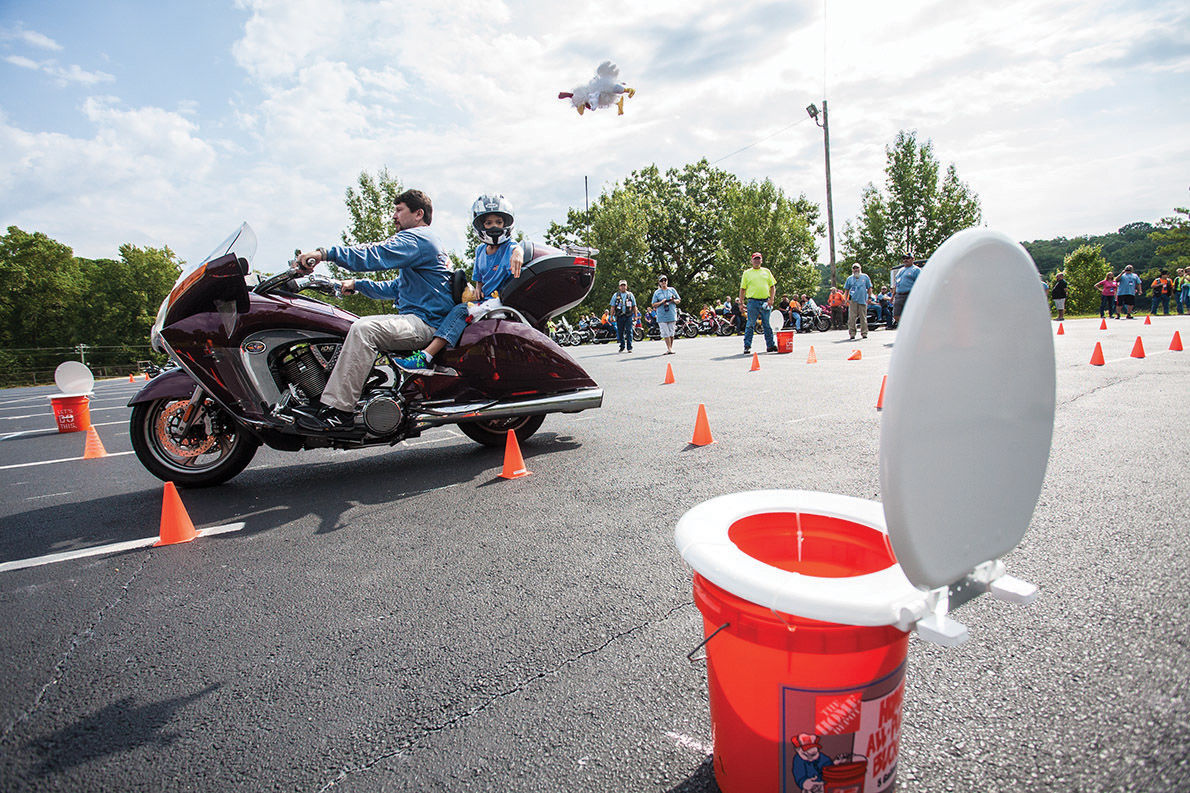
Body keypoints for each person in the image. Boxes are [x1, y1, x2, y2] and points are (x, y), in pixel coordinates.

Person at [292, 189, 453, 431]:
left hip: (427, 323)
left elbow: (375, 255)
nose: (394, 216)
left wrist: (325, 254)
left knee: (364, 329)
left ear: (418, 214)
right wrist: (356, 285)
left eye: (399, 210)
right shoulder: (424, 245)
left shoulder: (419, 238)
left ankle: (339, 411)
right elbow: (396, 288)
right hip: (419, 318)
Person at [385, 194, 525, 373]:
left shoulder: (510, 248)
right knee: (456, 308)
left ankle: (425, 357)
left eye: (499, 221)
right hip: (486, 299)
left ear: (506, 223)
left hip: (502, 299)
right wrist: (479, 289)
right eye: (489, 223)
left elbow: (518, 247)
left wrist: (518, 253)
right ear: (481, 225)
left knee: (460, 312)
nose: (494, 226)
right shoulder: (480, 250)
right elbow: (479, 277)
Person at [740, 252, 778, 353]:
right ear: (752, 261)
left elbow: (772, 286)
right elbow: (742, 289)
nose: (757, 261)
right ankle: (747, 346)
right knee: (750, 324)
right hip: (752, 301)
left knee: (767, 324)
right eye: (755, 259)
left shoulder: (766, 271)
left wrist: (771, 299)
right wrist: (741, 302)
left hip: (765, 301)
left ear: (761, 260)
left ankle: (770, 345)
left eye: (758, 259)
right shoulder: (747, 273)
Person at [651, 275, 681, 354]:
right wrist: (661, 302)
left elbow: (679, 300)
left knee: (671, 332)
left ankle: (670, 348)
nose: (663, 282)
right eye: (662, 281)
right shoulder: (657, 292)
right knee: (665, 332)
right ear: (659, 283)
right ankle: (669, 348)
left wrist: (673, 300)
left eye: (665, 280)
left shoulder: (672, 290)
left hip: (671, 313)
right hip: (662, 315)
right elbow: (653, 304)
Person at [844, 263, 873, 340]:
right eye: (854, 268)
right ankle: (852, 333)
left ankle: (864, 333)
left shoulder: (865, 277)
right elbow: (846, 290)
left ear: (860, 268)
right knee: (851, 318)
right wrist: (845, 299)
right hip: (853, 300)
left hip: (862, 299)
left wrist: (869, 297)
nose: (856, 270)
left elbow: (869, 287)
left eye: (857, 268)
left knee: (863, 317)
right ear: (852, 270)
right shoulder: (849, 279)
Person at [892, 253, 920, 329]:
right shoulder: (900, 270)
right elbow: (896, 283)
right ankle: (906, 327)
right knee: (896, 315)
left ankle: (911, 329)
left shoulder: (916, 270)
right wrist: (892, 296)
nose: (905, 260)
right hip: (899, 295)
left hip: (910, 295)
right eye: (904, 258)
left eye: (908, 258)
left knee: (910, 314)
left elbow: (920, 283)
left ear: (912, 259)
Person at [609, 279, 637, 352]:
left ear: (626, 286)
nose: (623, 287)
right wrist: (611, 316)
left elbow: (634, 306)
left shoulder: (630, 295)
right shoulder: (616, 295)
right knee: (620, 331)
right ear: (619, 287)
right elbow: (612, 306)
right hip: (619, 316)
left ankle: (629, 347)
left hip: (628, 315)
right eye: (621, 285)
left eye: (624, 285)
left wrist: (635, 316)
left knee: (629, 331)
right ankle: (622, 345)